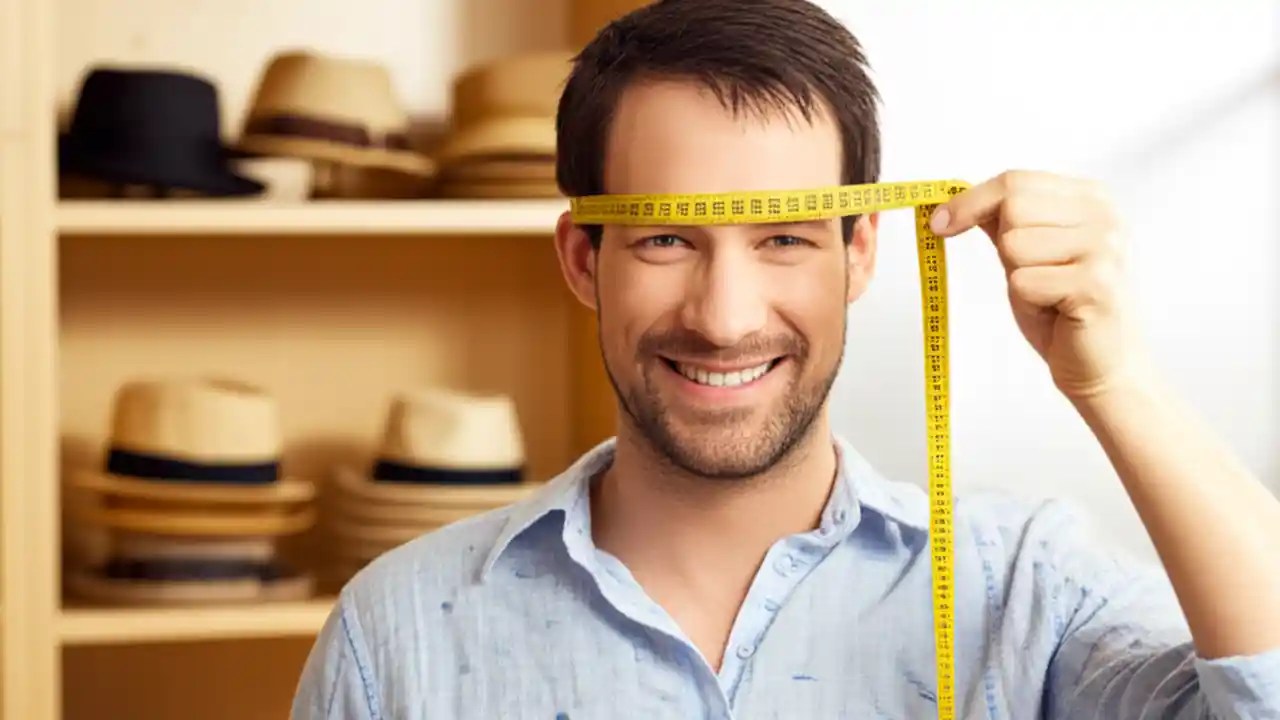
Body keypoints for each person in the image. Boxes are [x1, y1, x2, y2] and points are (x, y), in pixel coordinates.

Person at [290, 1, 1280, 717]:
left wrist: (1117, 382)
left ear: (860, 253)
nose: (723, 320)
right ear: (583, 260)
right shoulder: (397, 637)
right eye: (665, 239)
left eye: (784, 239)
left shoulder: (1026, 589)